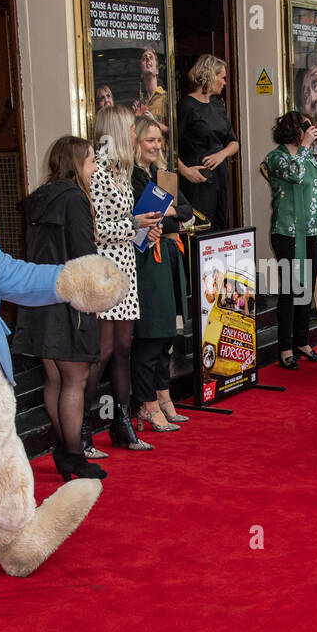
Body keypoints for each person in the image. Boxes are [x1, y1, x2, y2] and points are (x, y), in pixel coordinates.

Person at [13, 136, 107, 482]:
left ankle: (65, 449)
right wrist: (94, 296)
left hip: (40, 294)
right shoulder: (75, 199)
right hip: (70, 297)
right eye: (91, 161)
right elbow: (84, 255)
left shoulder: (39, 197)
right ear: (75, 163)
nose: (95, 168)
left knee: (54, 377)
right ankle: (72, 453)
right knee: (75, 379)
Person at [87, 105, 163, 452]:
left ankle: (123, 424)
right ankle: (81, 429)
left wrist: (145, 232)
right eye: (131, 128)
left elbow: (124, 226)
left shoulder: (121, 169)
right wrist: (135, 225)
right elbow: (97, 229)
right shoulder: (97, 170)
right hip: (104, 269)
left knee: (122, 350)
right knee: (101, 352)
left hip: (126, 265)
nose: (134, 134)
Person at [263, 110, 317, 369]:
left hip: (310, 232)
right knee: (289, 290)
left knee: (305, 289)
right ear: (294, 129)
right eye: (306, 127)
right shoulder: (276, 158)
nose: (311, 130)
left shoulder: (309, 155)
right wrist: (307, 145)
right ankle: (285, 348)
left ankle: (302, 341)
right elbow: (295, 174)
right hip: (286, 232)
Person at [129, 115, 192, 432]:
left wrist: (170, 215)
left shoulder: (163, 175)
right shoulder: (131, 178)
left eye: (158, 140)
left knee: (167, 334)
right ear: (135, 141)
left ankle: (165, 397)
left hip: (168, 258)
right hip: (143, 263)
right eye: (149, 140)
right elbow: (141, 223)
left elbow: (187, 211)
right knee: (150, 336)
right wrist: (171, 218)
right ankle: (147, 403)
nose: (155, 145)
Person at [176, 54, 240, 231]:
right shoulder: (186, 106)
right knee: (201, 227)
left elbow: (234, 143)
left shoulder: (218, 106)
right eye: (222, 77)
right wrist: (186, 172)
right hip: (197, 179)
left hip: (220, 175)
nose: (224, 82)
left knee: (220, 224)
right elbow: (170, 147)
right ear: (210, 76)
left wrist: (222, 155)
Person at [132, 48, 168, 125]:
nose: (147, 59)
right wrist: (136, 118)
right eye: (144, 58)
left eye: (151, 57)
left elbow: (172, 131)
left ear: (157, 70)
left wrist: (153, 122)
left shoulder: (165, 98)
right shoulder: (140, 103)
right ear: (141, 73)